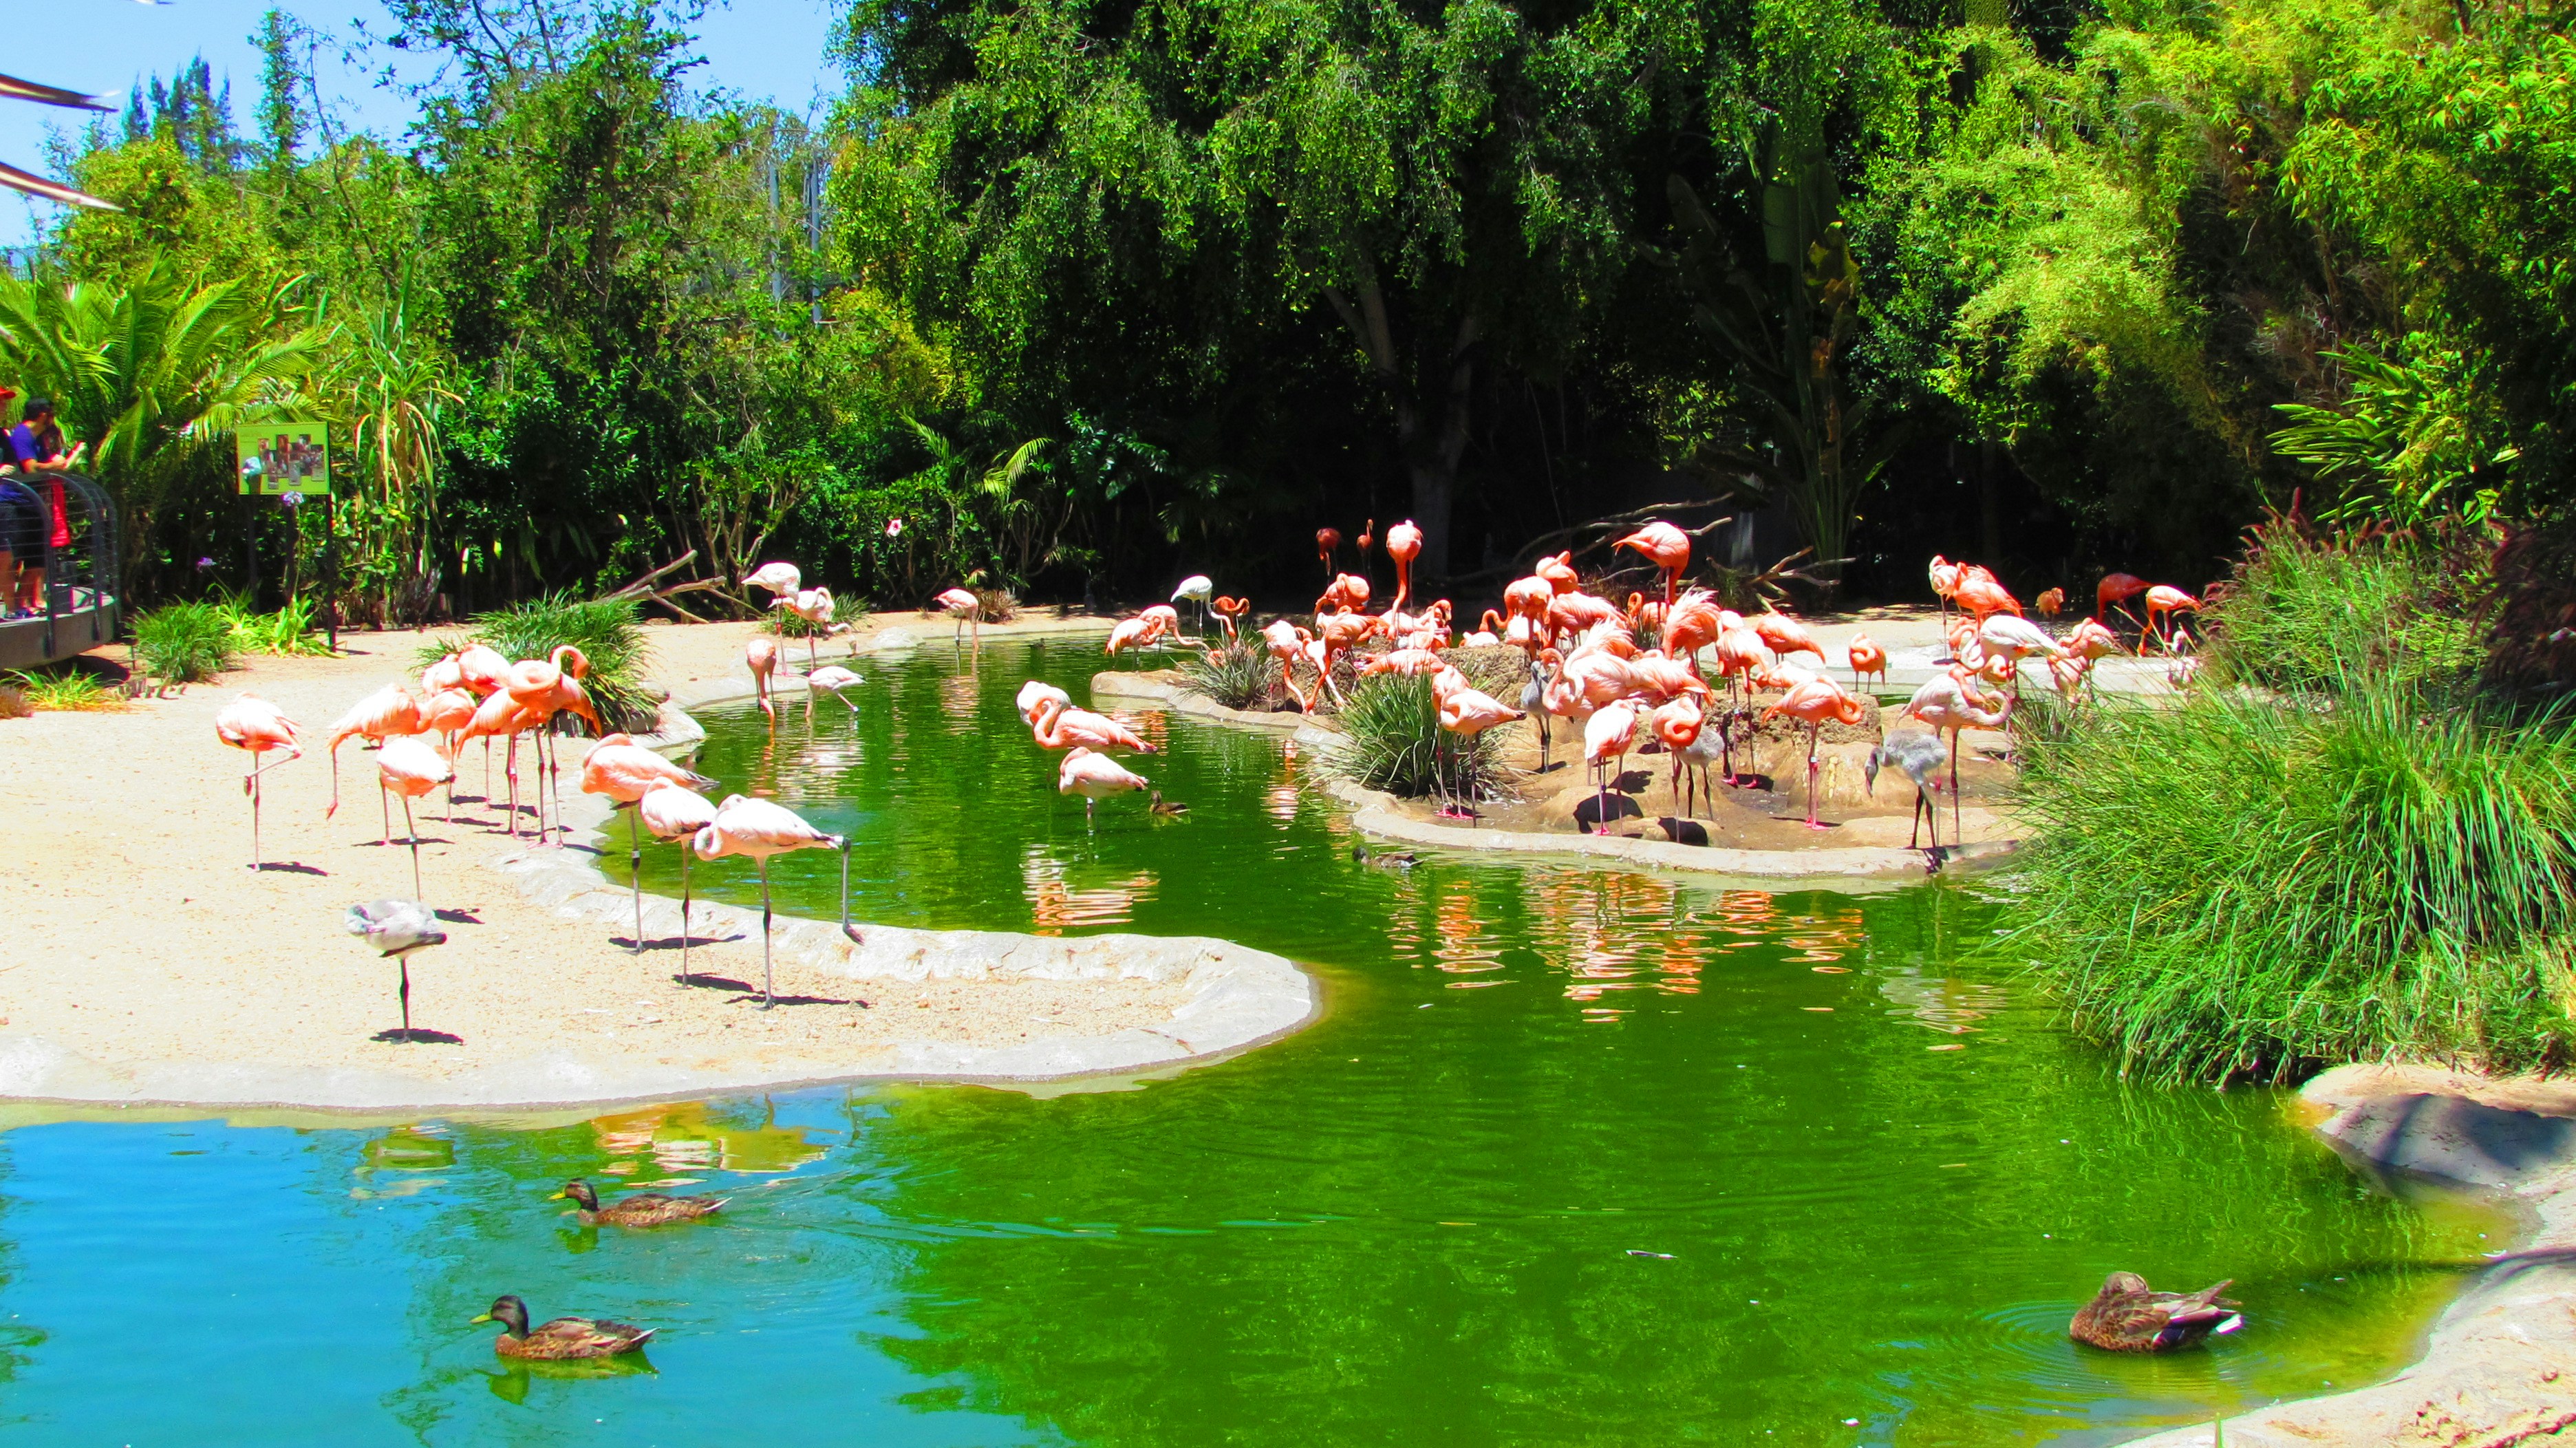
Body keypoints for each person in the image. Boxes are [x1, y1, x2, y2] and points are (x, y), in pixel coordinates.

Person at [6, 398, 80, 617]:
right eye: (51, 414)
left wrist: (63, 462)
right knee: (16, 556)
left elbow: (52, 468)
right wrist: (53, 465)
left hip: (36, 502)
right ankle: (15, 605)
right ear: (42, 415)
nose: (53, 419)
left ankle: (24, 600)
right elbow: (31, 468)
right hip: (17, 502)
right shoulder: (22, 435)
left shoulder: (39, 437)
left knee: (38, 559)